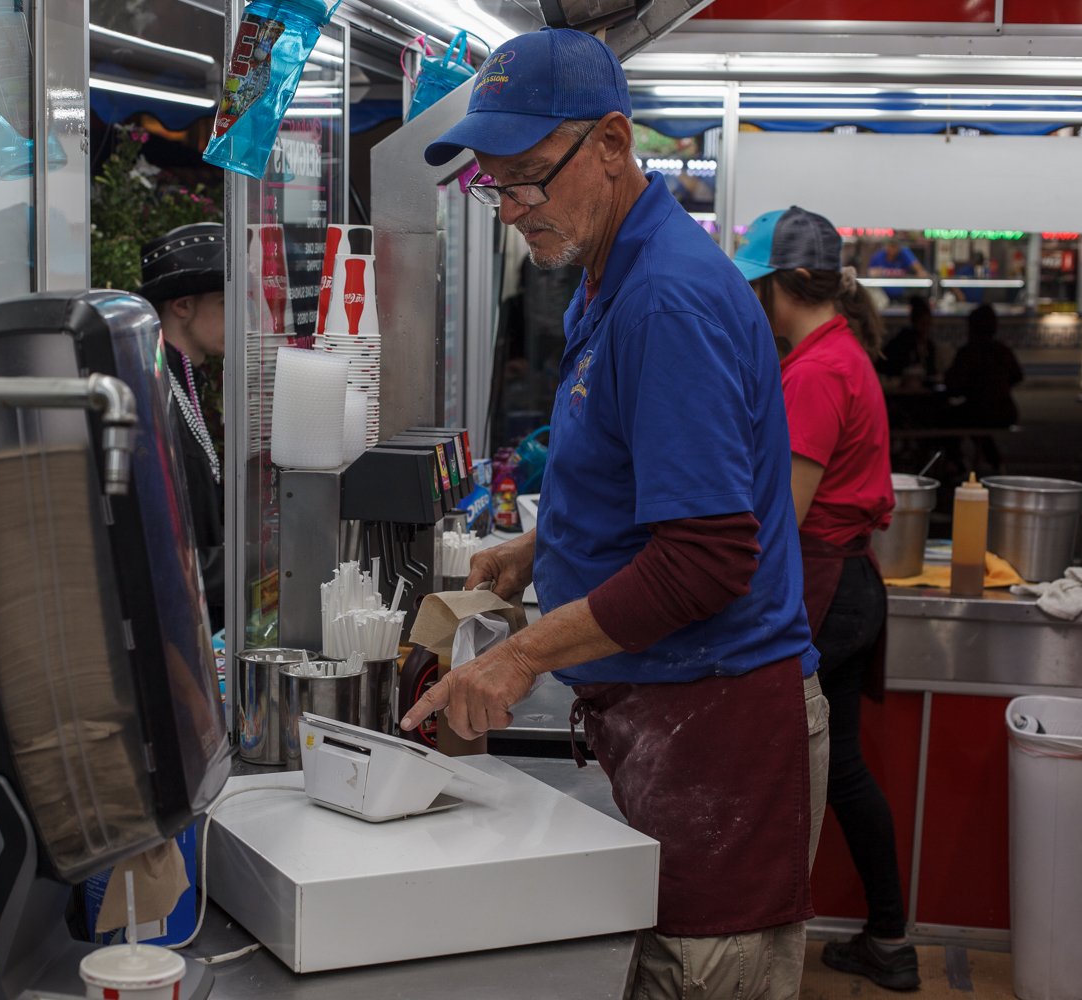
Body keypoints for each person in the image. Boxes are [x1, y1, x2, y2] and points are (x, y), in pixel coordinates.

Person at [405, 28, 829, 999]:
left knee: (698, 974)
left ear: (609, 142)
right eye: (492, 184)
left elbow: (710, 557)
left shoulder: (664, 301)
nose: (511, 210)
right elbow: (648, 477)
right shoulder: (608, 276)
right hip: (657, 715)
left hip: (717, 729)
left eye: (527, 179)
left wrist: (520, 655)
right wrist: (539, 544)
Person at [734, 207, 916, 991]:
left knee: (792, 766)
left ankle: (761, 936)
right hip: (847, 582)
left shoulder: (814, 372)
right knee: (839, 767)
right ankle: (888, 938)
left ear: (780, 285)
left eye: (756, 285)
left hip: (822, 584)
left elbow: (785, 516)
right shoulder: (837, 353)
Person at [138, 223, 226, 634]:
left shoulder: (185, 378)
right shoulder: (153, 388)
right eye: (226, 303)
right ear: (182, 305)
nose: (241, 317)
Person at [945, 304, 1023, 471]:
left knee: (949, 418)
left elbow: (952, 385)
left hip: (979, 411)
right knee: (977, 422)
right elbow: (1018, 376)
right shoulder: (1002, 351)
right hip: (1005, 411)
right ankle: (995, 462)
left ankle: (956, 461)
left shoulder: (968, 353)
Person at [876, 295, 937, 382]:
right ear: (915, 322)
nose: (926, 328)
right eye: (923, 323)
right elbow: (889, 366)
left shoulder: (928, 345)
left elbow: (931, 372)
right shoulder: (902, 342)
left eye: (928, 324)